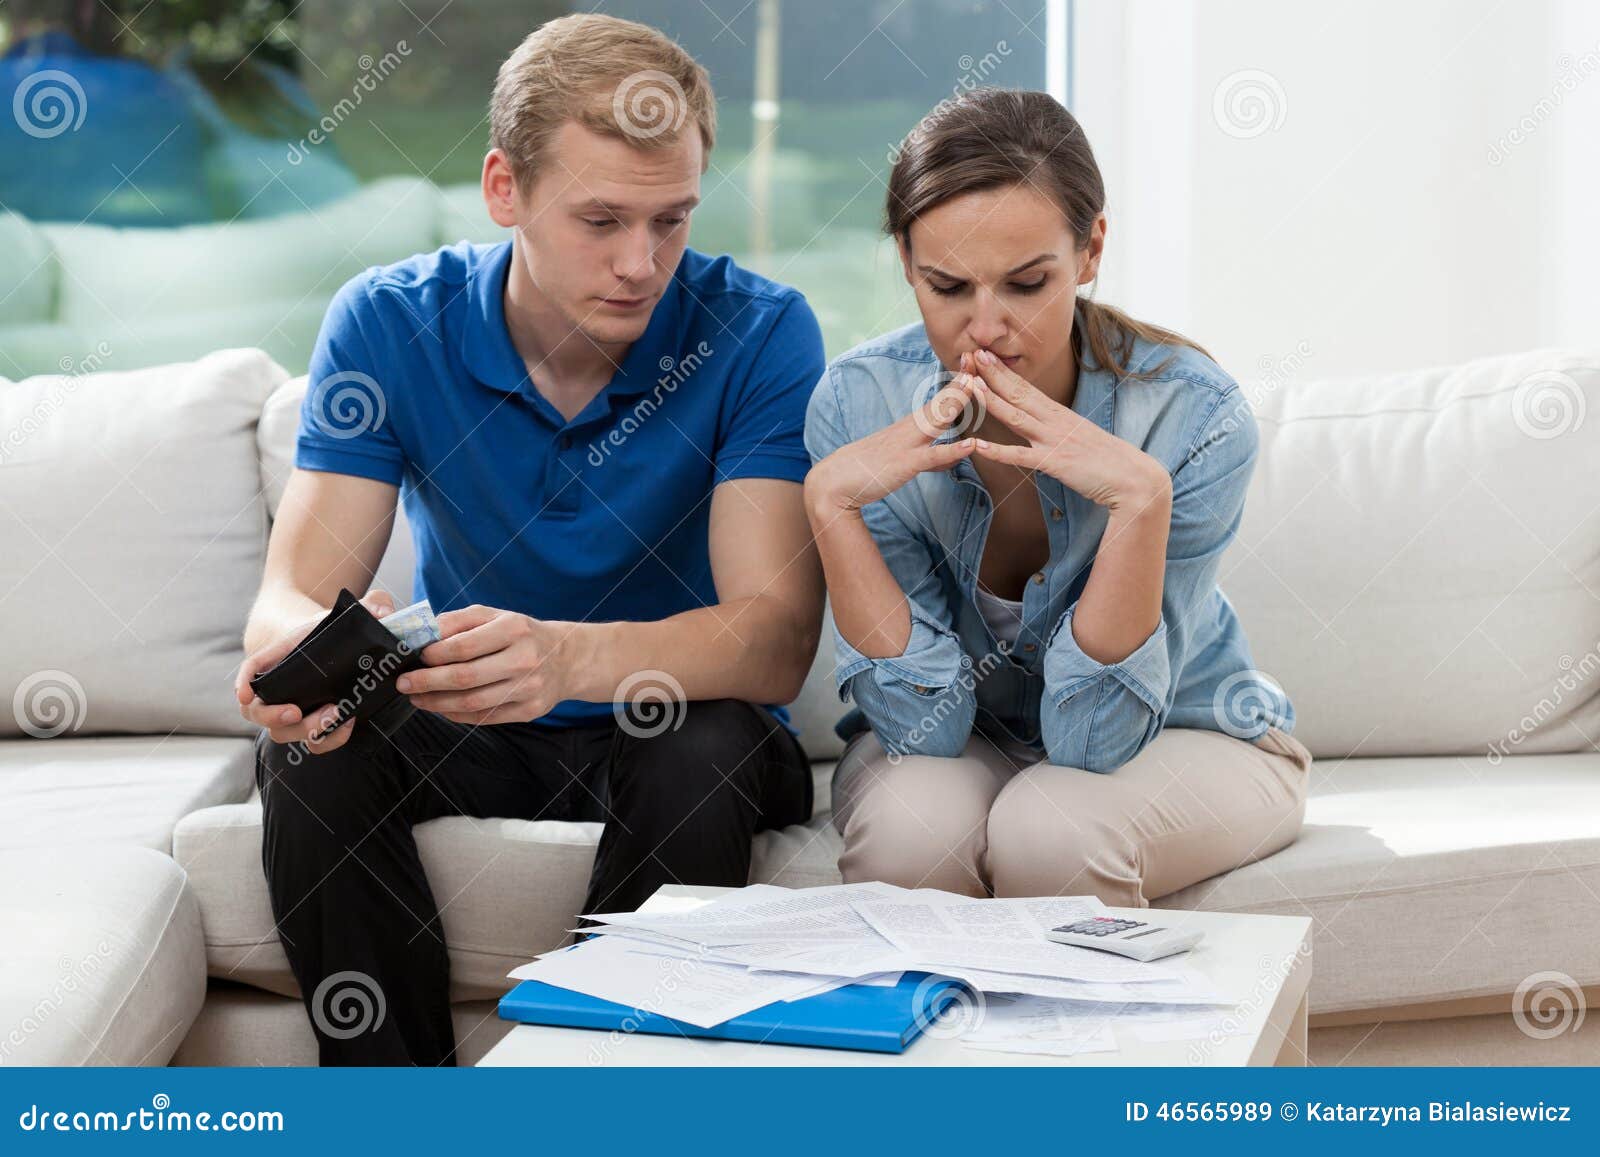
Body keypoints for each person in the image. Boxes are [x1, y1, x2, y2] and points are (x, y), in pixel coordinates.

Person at [234, 14, 824, 1066]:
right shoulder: (387, 322)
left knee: (696, 740)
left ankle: (603, 1100)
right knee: (308, 752)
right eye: (600, 219)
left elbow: (774, 640)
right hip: (475, 724)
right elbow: (291, 596)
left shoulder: (759, 331)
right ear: (503, 189)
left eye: (671, 221)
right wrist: (297, 662)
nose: (641, 264)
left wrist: (566, 656)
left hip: (673, 725)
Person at [803, 88, 1312, 907]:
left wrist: (1140, 502)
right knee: (910, 830)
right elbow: (918, 730)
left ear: (1090, 250)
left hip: (1185, 730)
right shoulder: (857, 405)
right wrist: (829, 505)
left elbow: (1096, 739)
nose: (987, 328)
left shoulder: (1194, 416)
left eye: (1027, 282)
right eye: (947, 286)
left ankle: (1078, 1042)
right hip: (963, 739)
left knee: (1052, 830)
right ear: (905, 264)